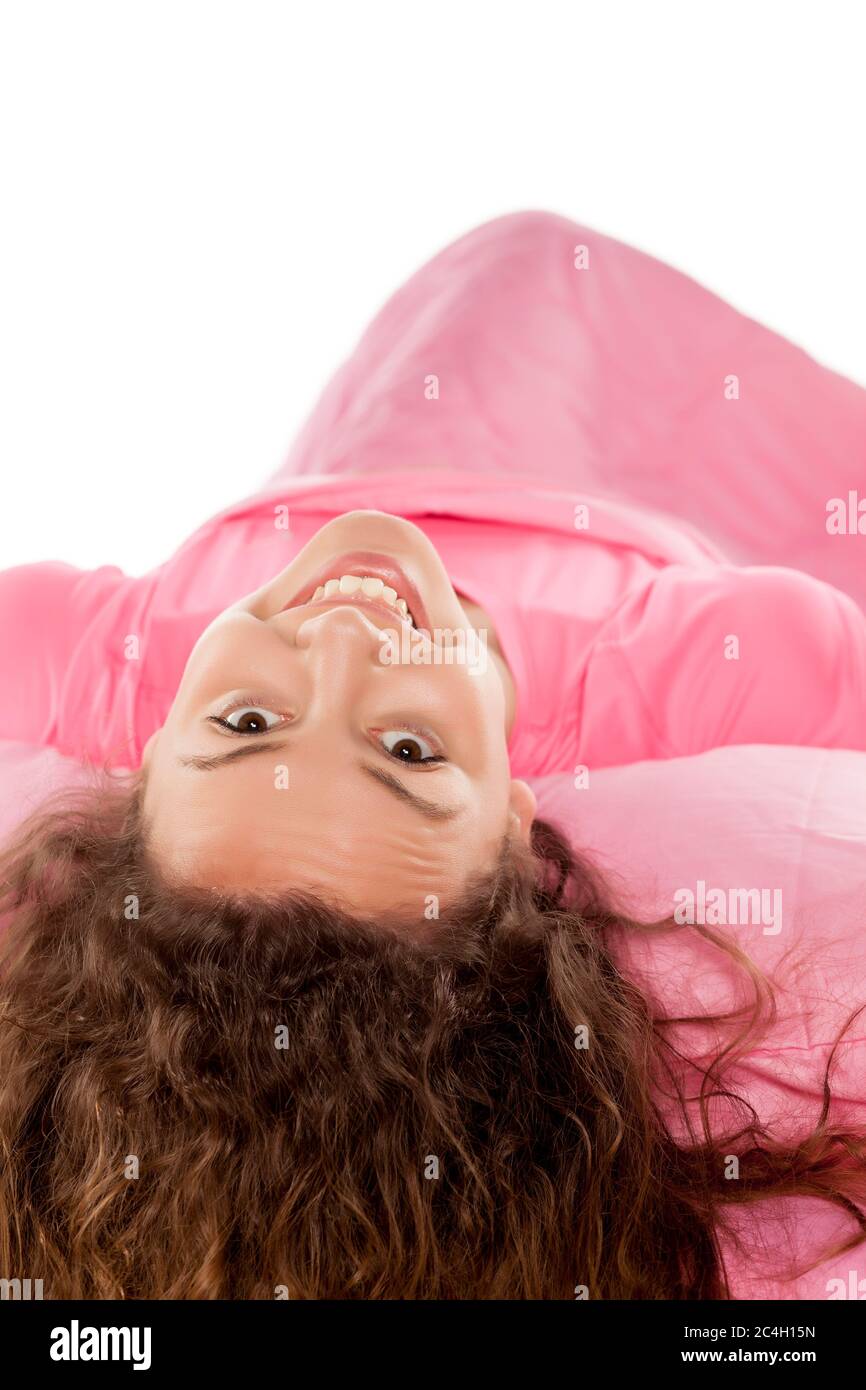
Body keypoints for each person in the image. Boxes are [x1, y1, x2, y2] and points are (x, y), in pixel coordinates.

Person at [1, 211, 865, 1299]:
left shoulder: (133, 660)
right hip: (593, 465)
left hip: (380, 436)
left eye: (246, 724)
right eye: (405, 747)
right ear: (514, 819)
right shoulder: (646, 669)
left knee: (499, 269)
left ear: (141, 755)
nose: (342, 639)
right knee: (537, 274)